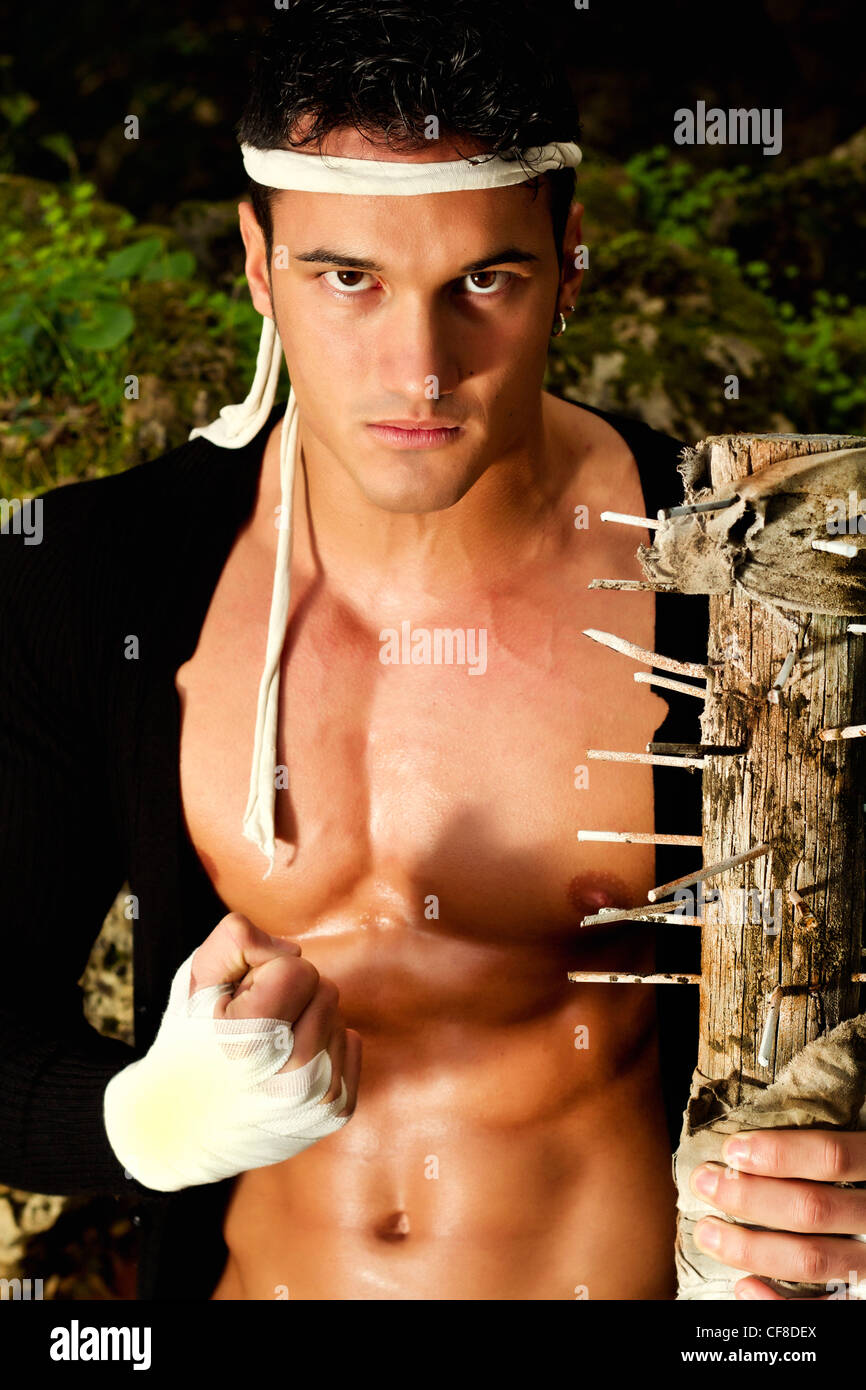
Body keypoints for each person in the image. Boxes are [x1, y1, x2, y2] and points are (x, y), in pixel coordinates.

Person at [2, 0, 863, 1302]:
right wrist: (136, 1124)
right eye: (346, 277)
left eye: (484, 280)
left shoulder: (750, 571)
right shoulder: (87, 574)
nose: (419, 367)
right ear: (256, 259)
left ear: (569, 259)